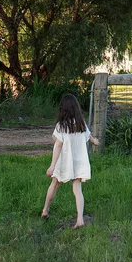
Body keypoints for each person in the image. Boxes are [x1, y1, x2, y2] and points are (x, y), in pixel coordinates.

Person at [41, 93, 99, 228]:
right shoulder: (81, 124)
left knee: (54, 184)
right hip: (79, 161)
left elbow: (58, 144)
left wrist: (52, 166)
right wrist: (95, 142)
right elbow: (89, 136)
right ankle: (80, 219)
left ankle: (45, 210)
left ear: (63, 109)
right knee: (77, 189)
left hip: (64, 161)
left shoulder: (61, 126)